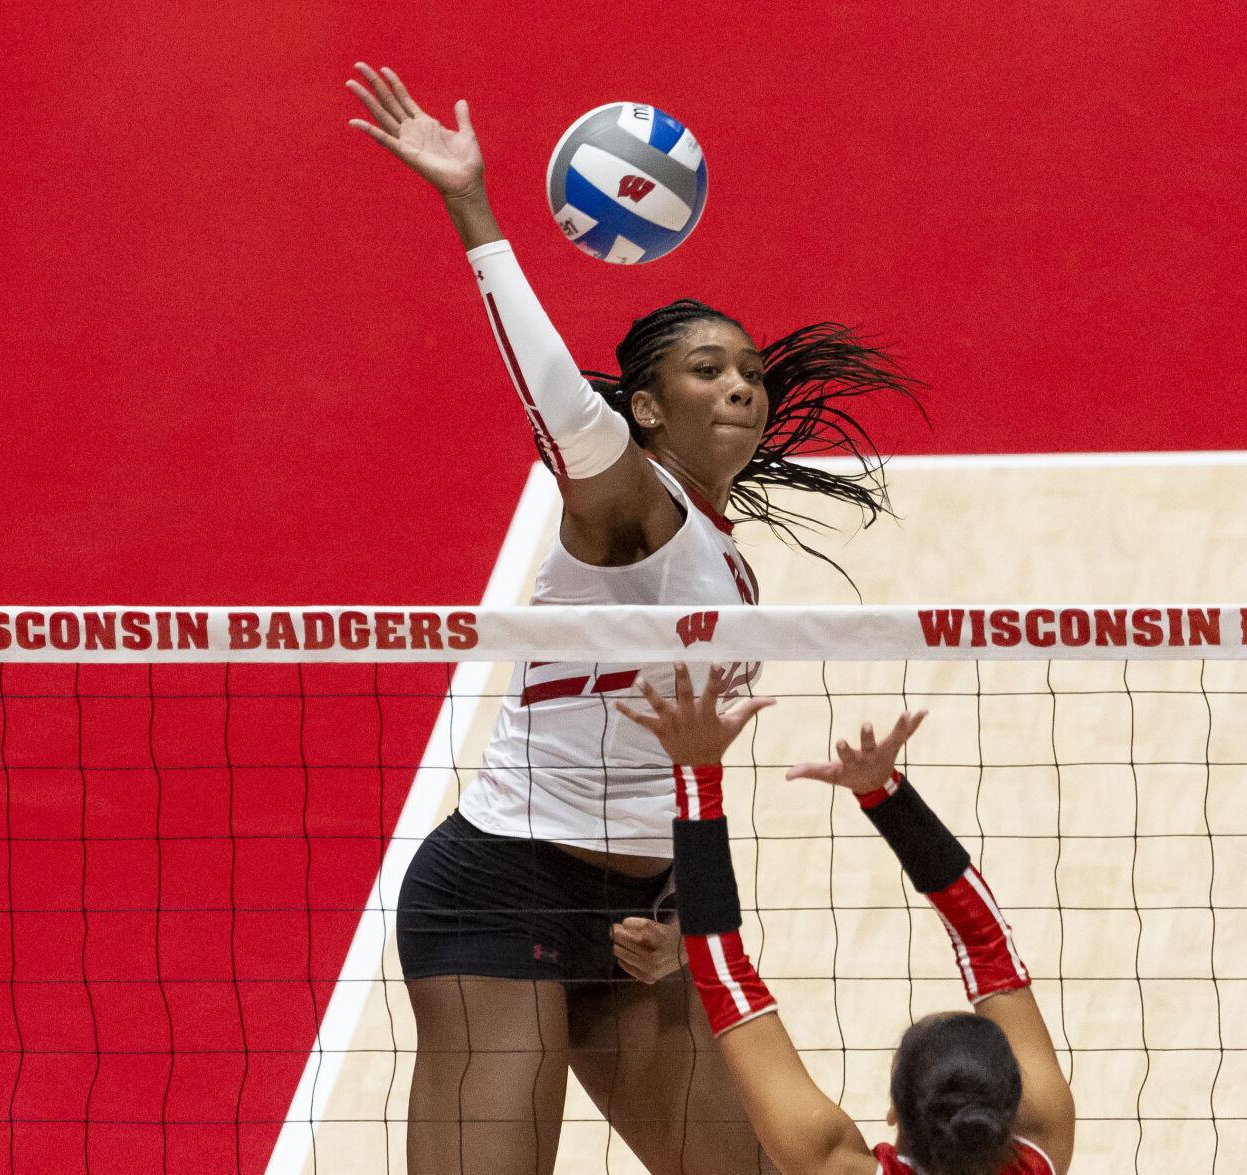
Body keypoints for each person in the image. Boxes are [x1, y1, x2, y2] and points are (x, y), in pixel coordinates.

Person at [346, 65, 920, 1172]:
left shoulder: (723, 568)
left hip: (639, 922)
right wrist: (471, 207)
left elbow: (672, 772)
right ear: (647, 408)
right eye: (707, 369)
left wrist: (679, 911)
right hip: (496, 889)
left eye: (750, 369)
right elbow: (562, 404)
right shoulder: (630, 512)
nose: (743, 384)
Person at [618, 663, 1076, 1174]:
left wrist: (882, 795)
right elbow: (986, 943)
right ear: (1014, 1108)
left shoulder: (833, 1162)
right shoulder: (1044, 1146)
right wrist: (697, 772)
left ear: (891, 1112)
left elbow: (985, 940)